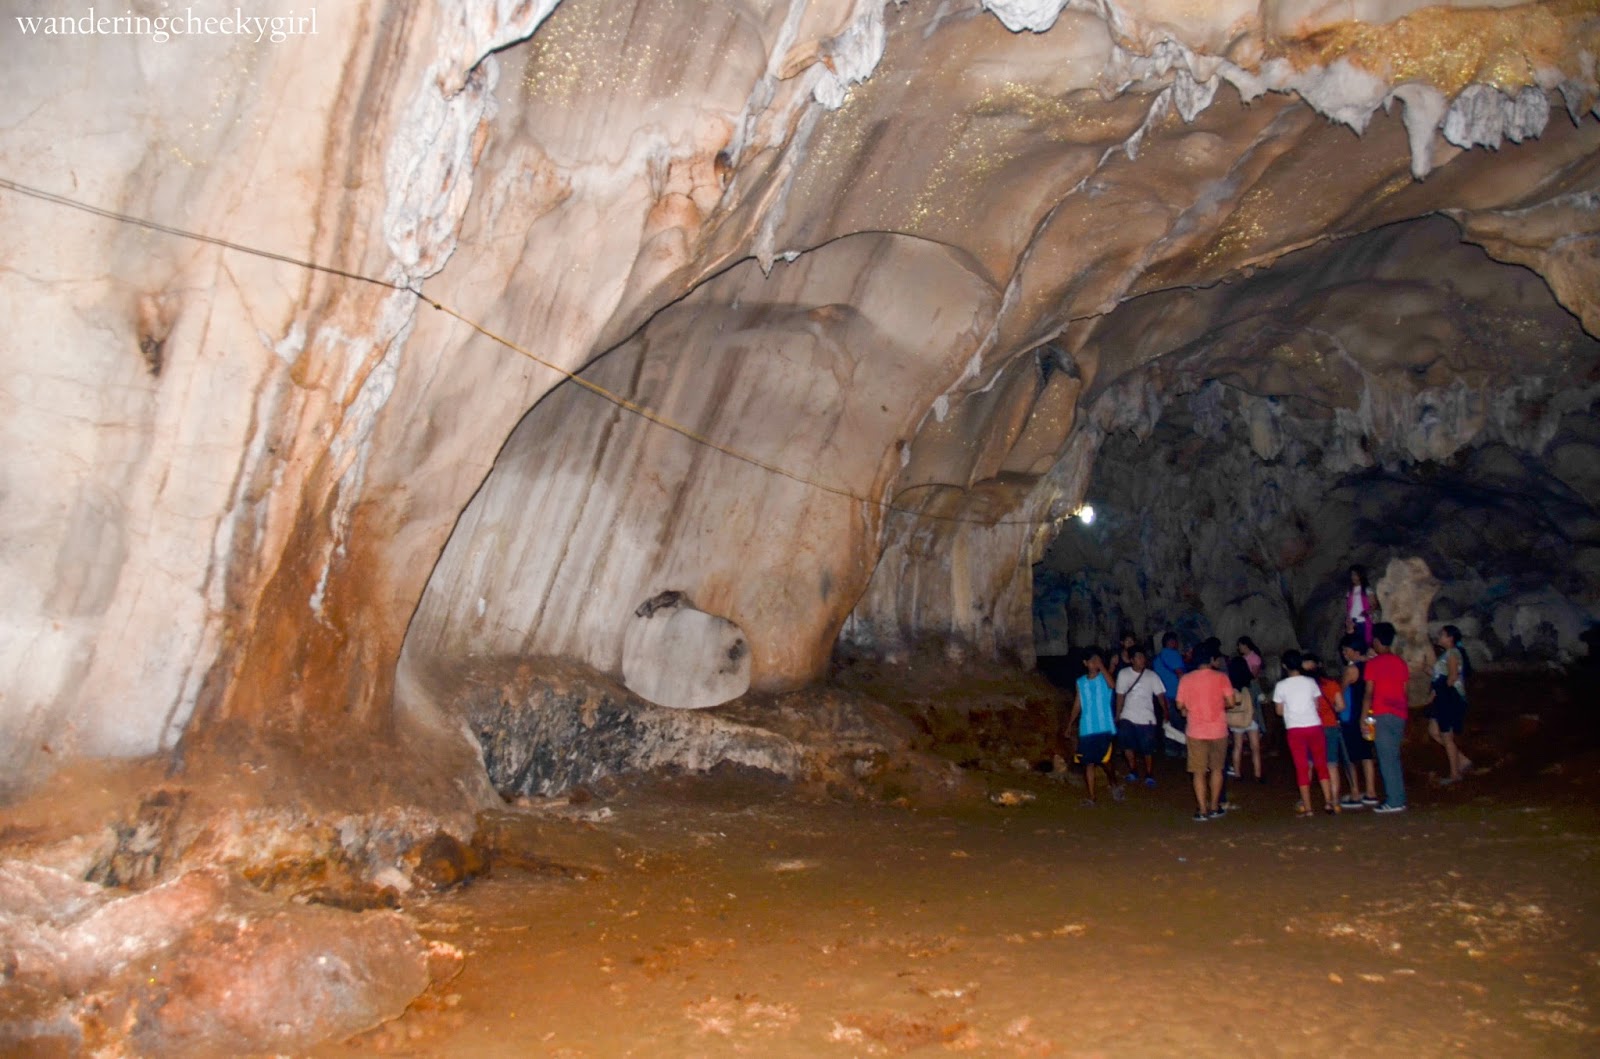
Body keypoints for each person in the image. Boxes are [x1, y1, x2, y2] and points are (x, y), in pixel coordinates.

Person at [1275, 650, 1337, 816]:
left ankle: (1308, 808)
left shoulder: (1281, 686)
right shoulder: (1310, 682)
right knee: (1321, 765)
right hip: (1314, 726)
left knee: (1302, 768)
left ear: (1284, 666)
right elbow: (1316, 705)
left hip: (1295, 729)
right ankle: (1328, 803)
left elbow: (1279, 711)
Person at [1176, 646, 1233, 821]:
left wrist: (1188, 709)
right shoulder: (1221, 677)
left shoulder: (1186, 679)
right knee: (1217, 769)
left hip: (1196, 730)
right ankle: (1215, 806)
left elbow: (1179, 705)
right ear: (1210, 660)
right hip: (1218, 729)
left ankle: (1202, 809)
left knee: (1198, 771)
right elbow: (1231, 702)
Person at [1363, 622, 1411, 813]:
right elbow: (1405, 691)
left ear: (1375, 641)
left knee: (1386, 758)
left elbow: (1368, 693)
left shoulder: (1373, 664)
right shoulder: (1400, 663)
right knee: (1393, 757)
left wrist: (1364, 717)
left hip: (1381, 712)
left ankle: (1394, 801)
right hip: (1399, 713)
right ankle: (1398, 797)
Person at [1069, 649, 1125, 806]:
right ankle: (1092, 797)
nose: (1095, 663)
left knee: (1105, 761)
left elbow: (1112, 685)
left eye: (1097, 660)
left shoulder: (1103, 678)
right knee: (1088, 762)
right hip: (1087, 727)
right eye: (1092, 661)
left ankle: (1113, 784)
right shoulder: (1080, 682)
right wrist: (1070, 722)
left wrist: (1102, 665)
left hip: (1104, 727)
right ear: (1085, 663)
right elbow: (1078, 703)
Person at [1426, 624, 1474, 784]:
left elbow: (1452, 677)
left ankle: (1455, 774)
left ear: (1450, 638)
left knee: (1447, 735)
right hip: (1444, 697)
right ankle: (1461, 760)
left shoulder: (1452, 653)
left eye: (1442, 635)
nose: (1439, 637)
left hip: (1450, 697)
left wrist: (1439, 691)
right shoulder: (1446, 654)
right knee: (1434, 731)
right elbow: (1442, 674)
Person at [1115, 648, 1166, 787]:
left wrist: (1166, 714)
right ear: (1131, 660)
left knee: (1147, 748)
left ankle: (1149, 773)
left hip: (1146, 717)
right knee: (1126, 745)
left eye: (1142, 657)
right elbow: (1120, 696)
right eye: (1138, 657)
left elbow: (1161, 696)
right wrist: (1117, 715)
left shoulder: (1152, 676)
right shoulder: (1123, 674)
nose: (1141, 660)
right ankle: (1133, 770)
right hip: (1128, 715)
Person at [1303, 652, 1347, 812]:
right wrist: (1330, 711)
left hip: (1312, 727)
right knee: (1332, 764)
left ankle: (1305, 800)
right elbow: (1341, 706)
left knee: (1309, 764)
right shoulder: (1332, 684)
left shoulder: (1305, 687)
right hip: (1330, 727)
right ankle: (1334, 800)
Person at [1339, 634, 1378, 807]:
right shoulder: (1371, 665)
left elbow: (1340, 691)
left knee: (1350, 756)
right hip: (1369, 715)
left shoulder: (1352, 670)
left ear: (1355, 651)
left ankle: (1355, 793)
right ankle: (1371, 792)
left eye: (1346, 650)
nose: (1344, 654)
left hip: (1352, 716)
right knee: (1366, 753)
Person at [1225, 651, 1264, 782]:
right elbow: (1261, 699)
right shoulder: (1252, 683)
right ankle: (1257, 774)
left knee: (1237, 746)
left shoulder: (1229, 684)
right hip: (1251, 718)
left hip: (1235, 719)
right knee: (1255, 748)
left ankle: (1237, 773)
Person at [1153, 632, 1187, 746]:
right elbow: (1180, 674)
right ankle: (1182, 749)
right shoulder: (1173, 654)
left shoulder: (1157, 658)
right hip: (1175, 694)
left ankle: (1170, 749)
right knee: (1180, 724)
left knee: (1168, 724)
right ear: (1171, 642)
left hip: (1162, 695)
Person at [1344, 565, 1379, 648]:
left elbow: (1374, 604)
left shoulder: (1367, 589)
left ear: (1360, 575)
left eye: (1355, 575)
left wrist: (1368, 612)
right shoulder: (1350, 591)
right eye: (1352, 575)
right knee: (1354, 645)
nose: (1353, 577)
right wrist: (1348, 618)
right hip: (1353, 623)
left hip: (1363, 621)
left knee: (1365, 643)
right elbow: (1349, 607)